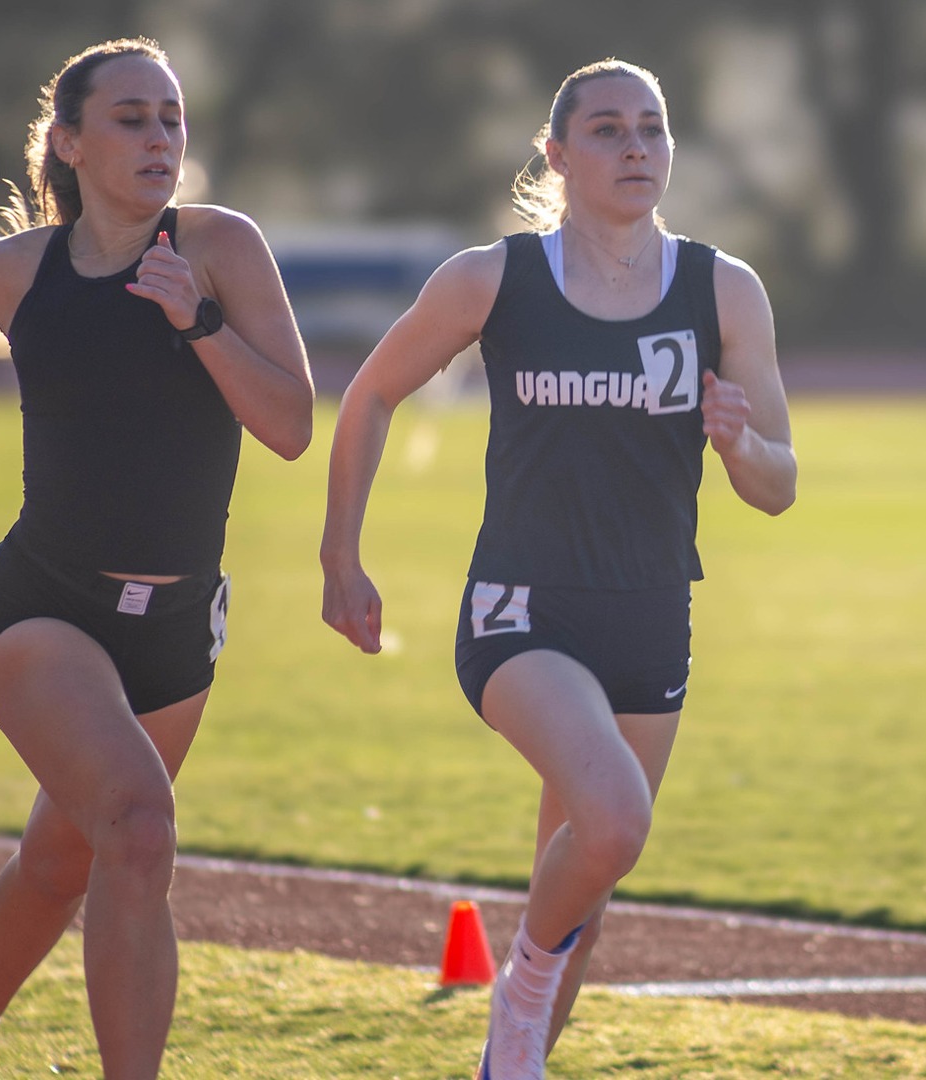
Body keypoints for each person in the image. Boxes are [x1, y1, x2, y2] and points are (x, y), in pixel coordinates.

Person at [319, 58, 796, 1079]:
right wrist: (339, 553)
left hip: (652, 618)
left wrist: (739, 443)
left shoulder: (724, 289)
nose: (636, 149)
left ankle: (513, 1056)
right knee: (616, 821)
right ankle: (521, 987)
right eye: (610, 131)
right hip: (521, 612)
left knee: (586, 874)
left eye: (652, 130)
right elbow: (368, 398)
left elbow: (779, 482)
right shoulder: (493, 279)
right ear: (558, 153)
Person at [0, 38, 313, 1080]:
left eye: (172, 118)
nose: (160, 138)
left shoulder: (224, 249)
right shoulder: (13, 271)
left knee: (66, 859)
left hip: (180, 627)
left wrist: (197, 319)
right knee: (141, 830)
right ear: (67, 143)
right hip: (43, 607)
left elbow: (290, 425)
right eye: (132, 118)